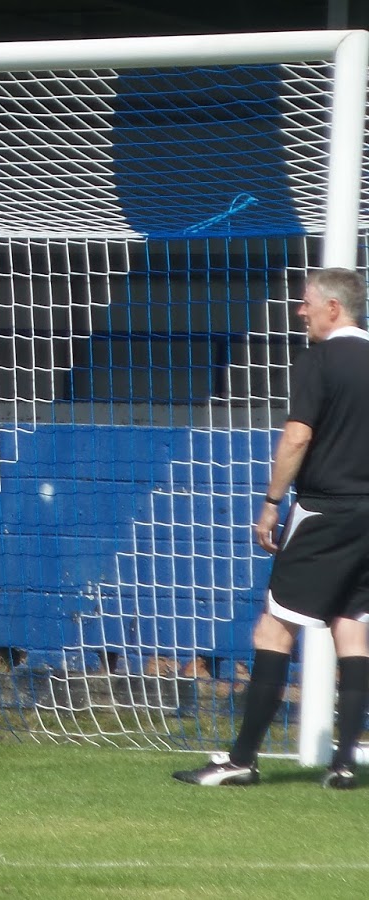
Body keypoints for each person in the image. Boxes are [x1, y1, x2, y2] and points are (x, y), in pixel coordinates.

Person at [175, 268, 369, 790]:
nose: (300, 312)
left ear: (333, 308)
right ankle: (344, 764)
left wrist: (271, 503)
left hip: (324, 511)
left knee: (273, 629)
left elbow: (297, 437)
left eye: (307, 303)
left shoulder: (319, 361)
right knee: (352, 628)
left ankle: (241, 760)